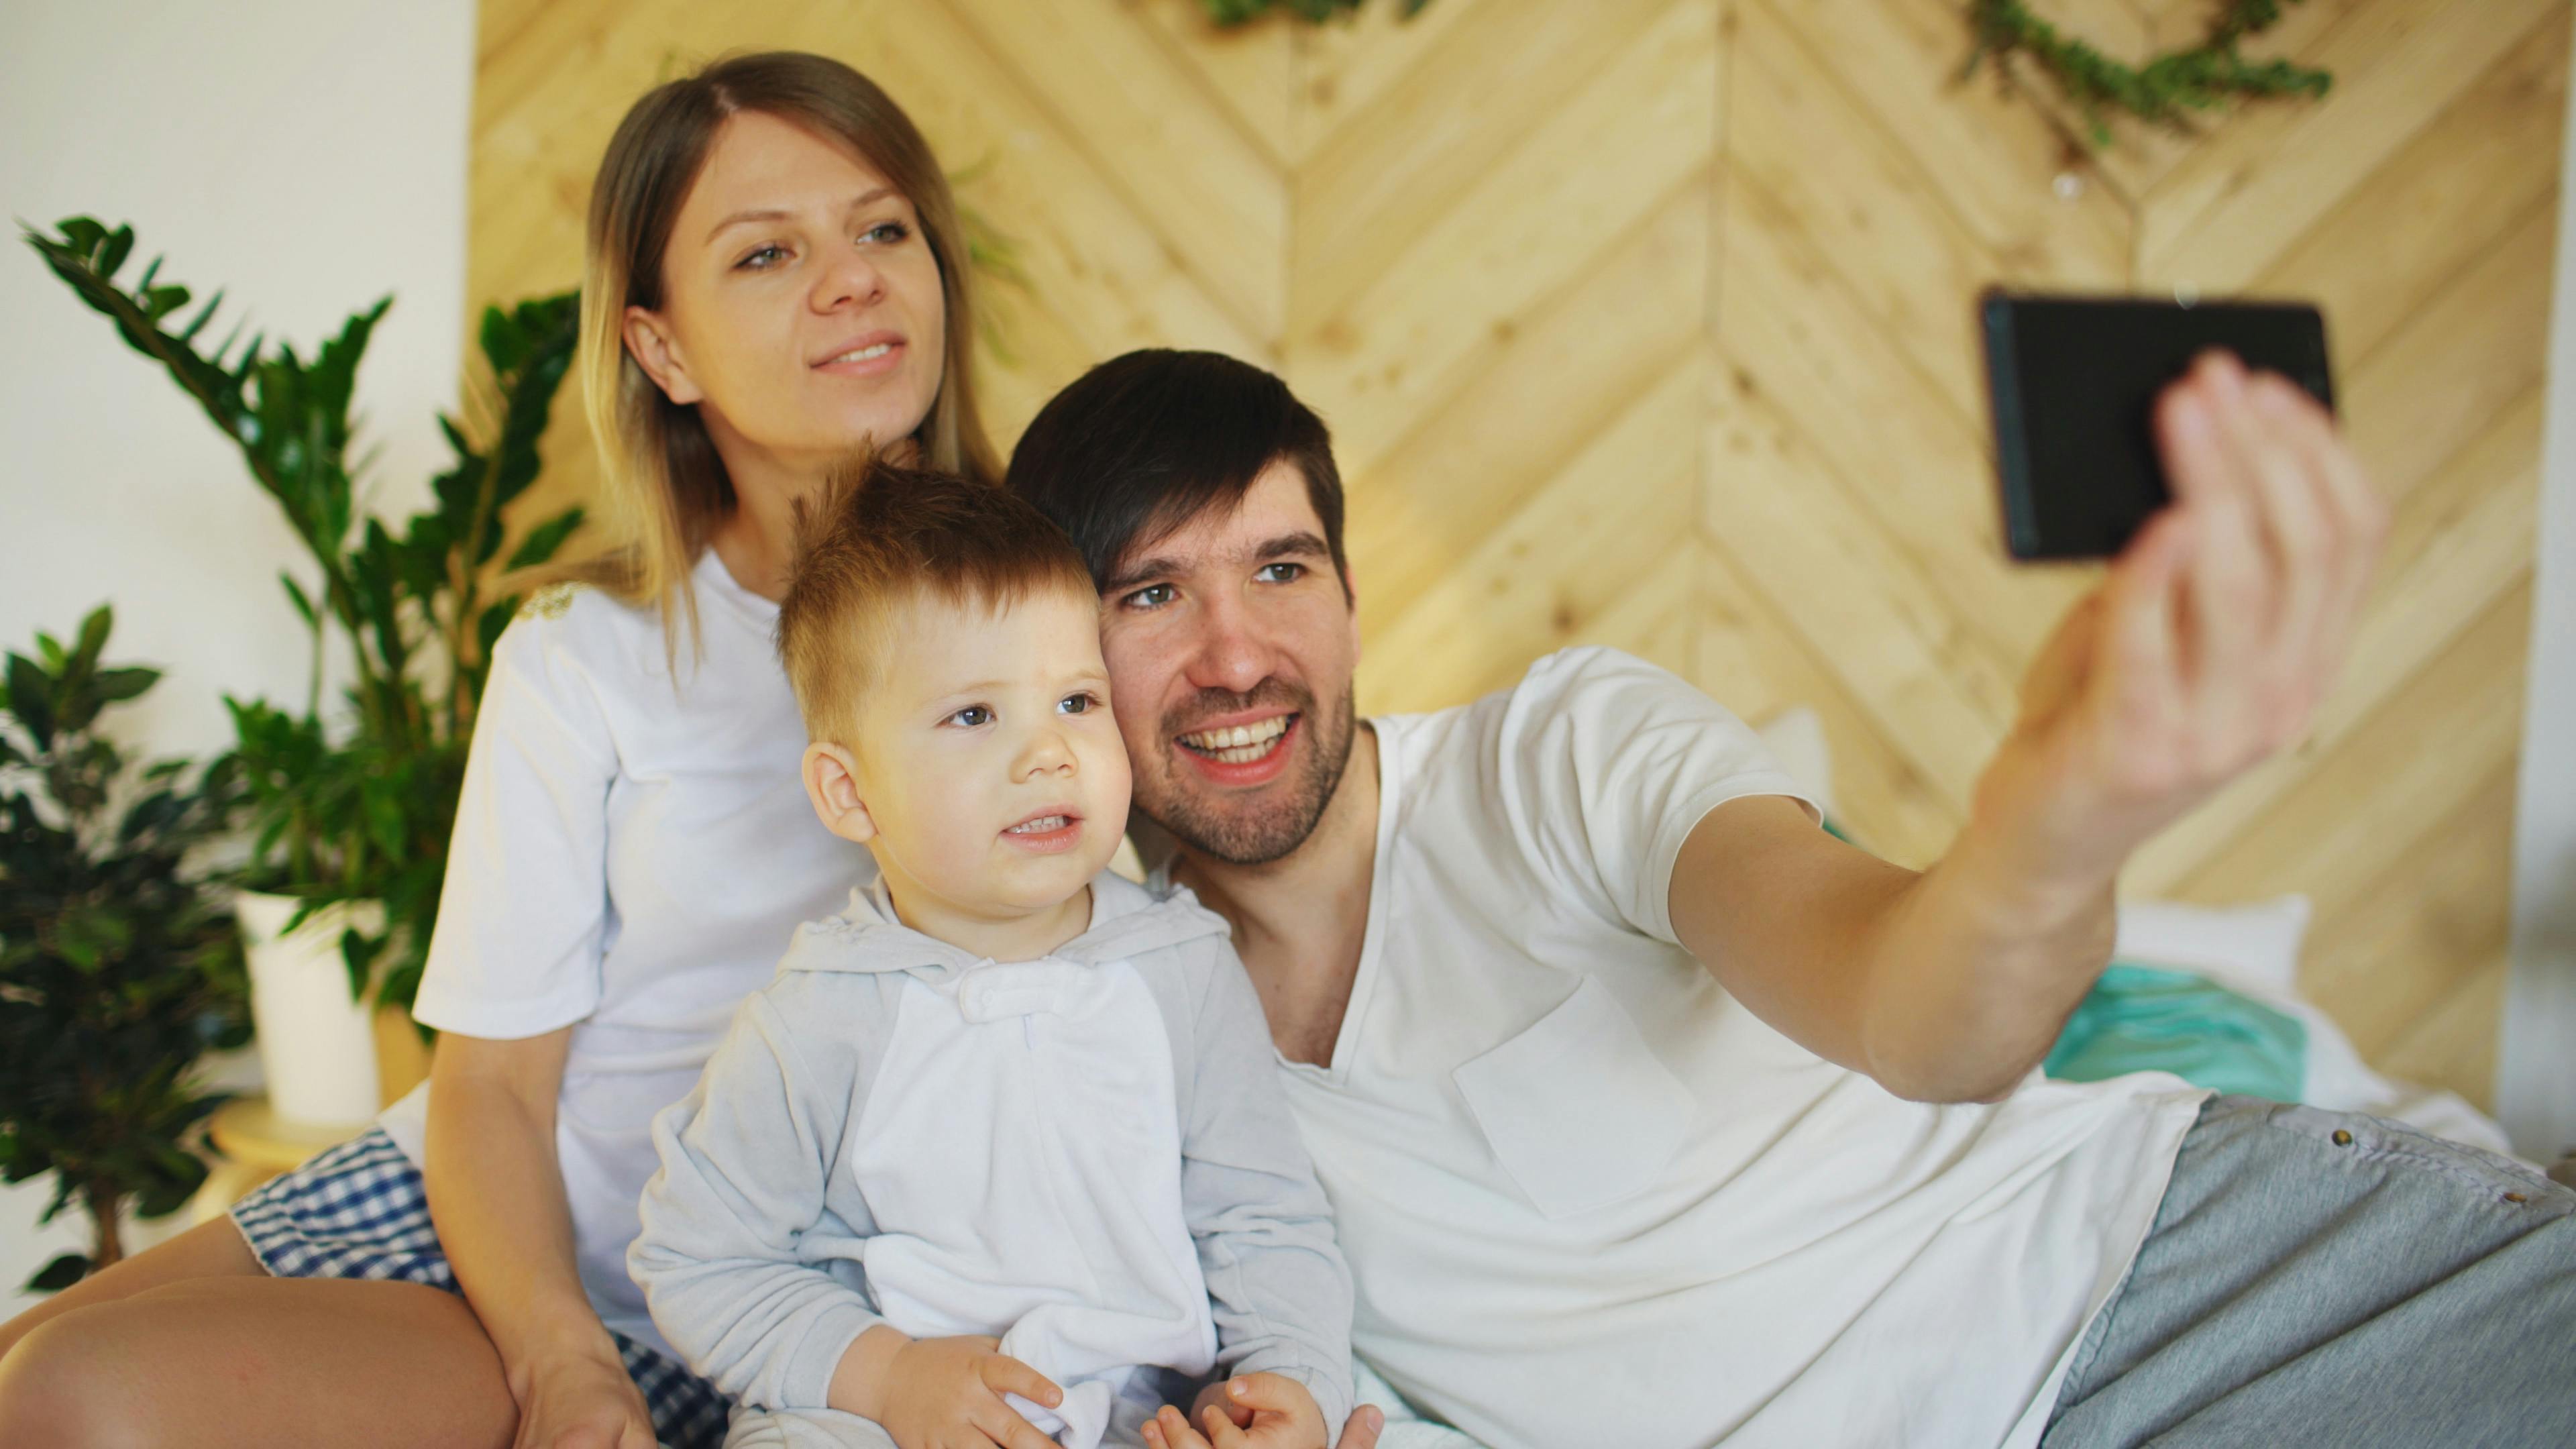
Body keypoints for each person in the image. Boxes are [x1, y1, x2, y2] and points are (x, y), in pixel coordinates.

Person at [1004, 348, 2576, 1448]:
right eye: (1154, 593)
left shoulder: (1556, 755)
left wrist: (2057, 824)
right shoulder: (1107, 1044)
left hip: (2170, 1291)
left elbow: (1915, 1012)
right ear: (1062, 654)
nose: (1235, 654)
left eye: (1281, 571)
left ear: (1349, 604)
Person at [0, 52, 1002, 1449]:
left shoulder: (1058, 615)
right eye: (767, 253)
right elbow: (494, 1086)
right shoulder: (584, 650)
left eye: (883, 227)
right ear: (661, 351)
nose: (851, 280)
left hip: (696, 1310)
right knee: (19, 1363)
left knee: (72, 1397)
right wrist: (556, 1359)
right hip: (494, 1218)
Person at [626, 464, 1354, 1449]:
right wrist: (888, 1377)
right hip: (884, 1420)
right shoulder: (819, 1020)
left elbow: (1264, 1221)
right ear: (849, 793)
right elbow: (701, 1261)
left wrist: (1292, 1385)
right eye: (974, 716)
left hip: (1134, 1418)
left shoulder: (1180, 968)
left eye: (1078, 702)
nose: (1049, 753)